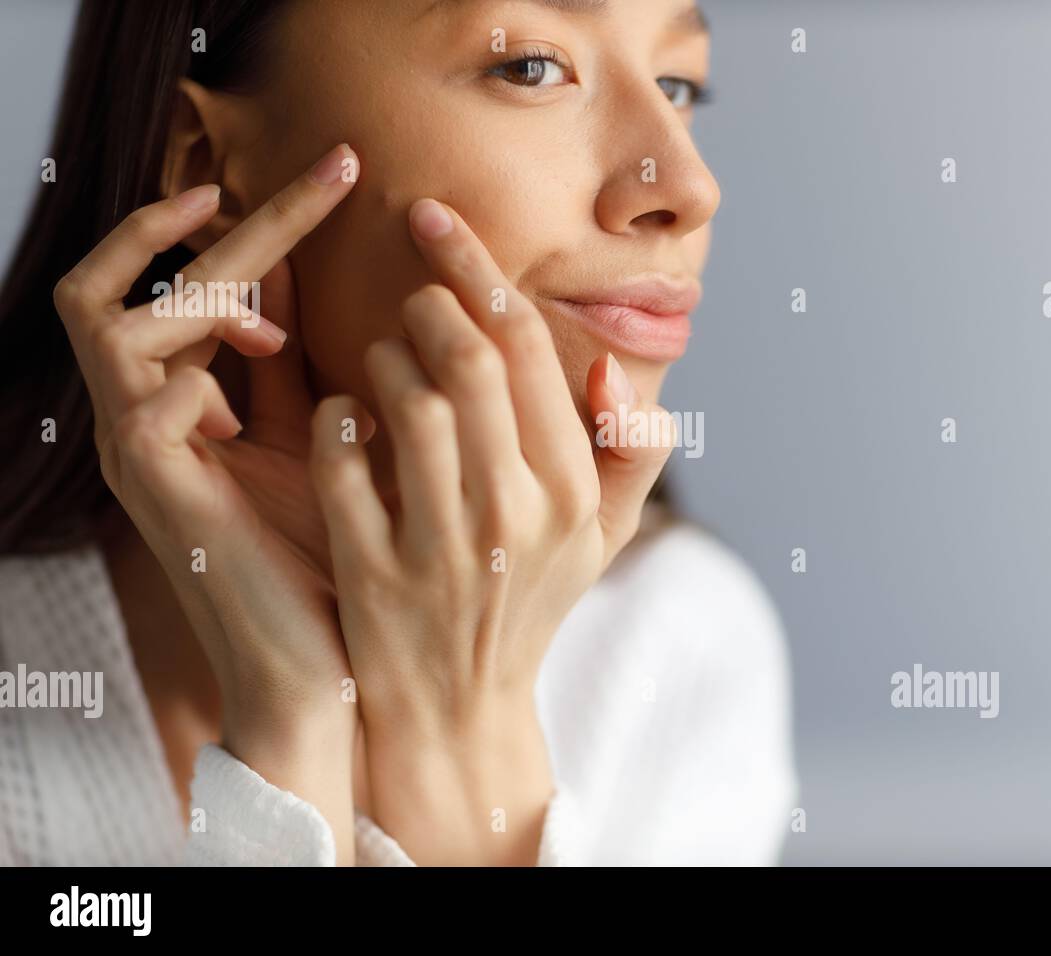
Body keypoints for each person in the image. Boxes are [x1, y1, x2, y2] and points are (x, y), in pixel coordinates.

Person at [0, 0, 797, 866]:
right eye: (528, 65)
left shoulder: (679, 644)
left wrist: (457, 734)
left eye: (679, 82)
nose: (689, 188)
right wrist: (296, 707)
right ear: (207, 160)